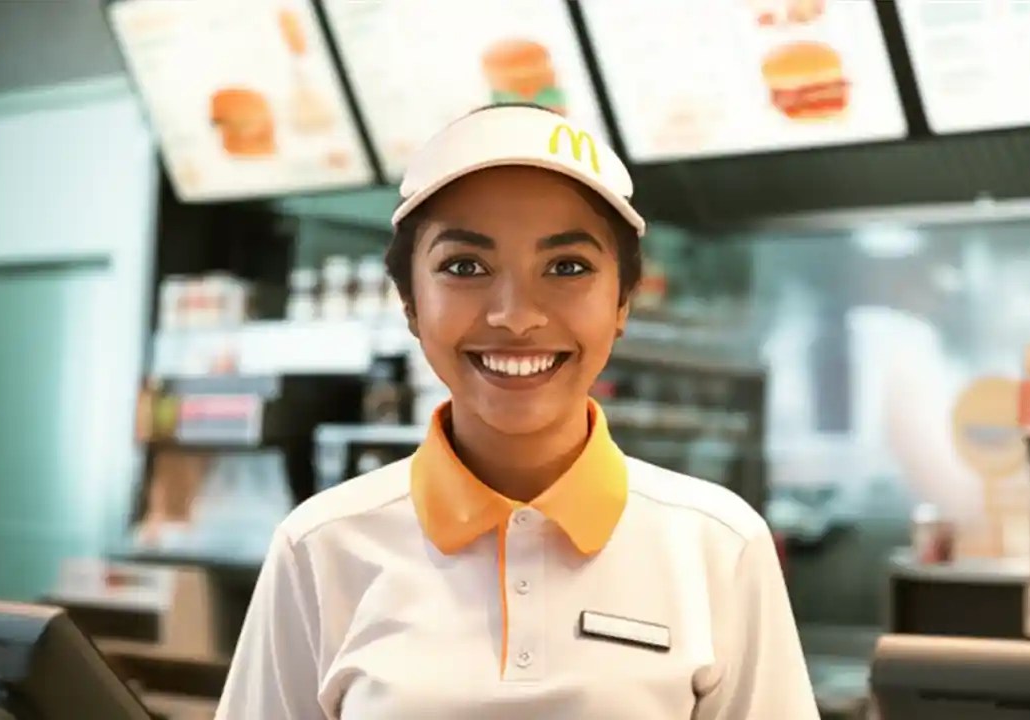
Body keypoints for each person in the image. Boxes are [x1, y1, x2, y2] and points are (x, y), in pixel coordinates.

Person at [214, 104, 818, 719]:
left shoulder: (718, 545)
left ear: (622, 302)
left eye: (567, 267)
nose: (516, 315)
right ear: (410, 304)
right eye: (465, 267)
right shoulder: (320, 548)